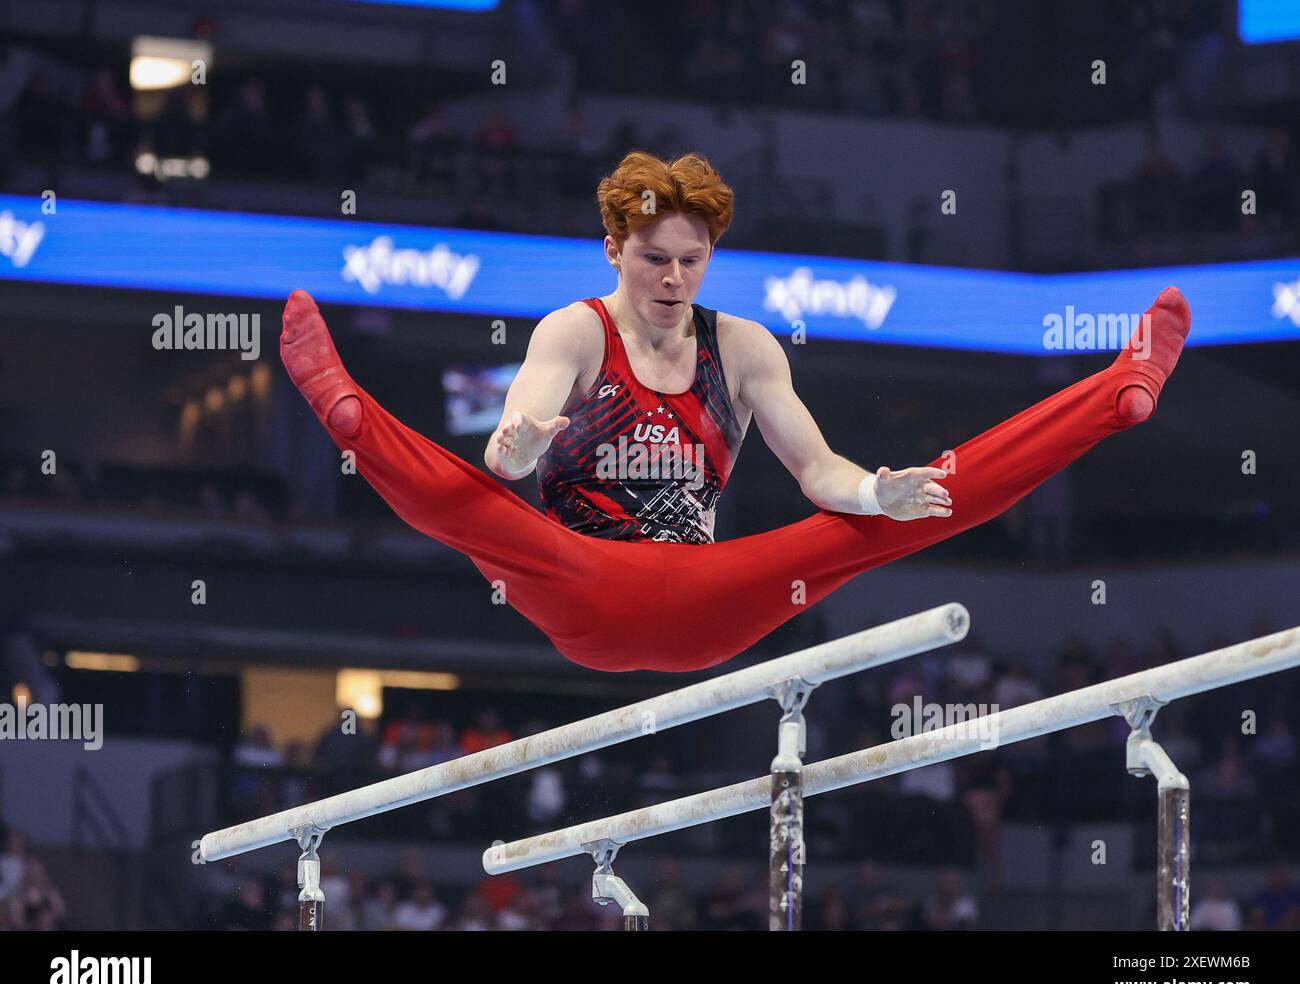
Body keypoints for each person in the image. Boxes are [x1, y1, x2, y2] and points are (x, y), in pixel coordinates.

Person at [279, 151, 1189, 674]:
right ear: (612, 251)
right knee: (477, 506)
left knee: (911, 507)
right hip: (584, 583)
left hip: (714, 600)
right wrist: (514, 448)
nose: (673, 279)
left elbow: (818, 473)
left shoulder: (746, 349)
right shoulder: (573, 331)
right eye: (652, 258)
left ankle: (1115, 392)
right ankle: (348, 408)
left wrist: (878, 492)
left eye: (692, 259)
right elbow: (518, 444)